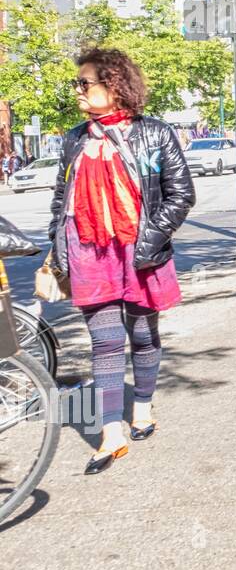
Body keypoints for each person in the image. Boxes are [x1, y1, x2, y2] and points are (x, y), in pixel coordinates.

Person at [47, 48, 196, 474]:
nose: (78, 90)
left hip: (141, 250)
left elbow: (180, 195)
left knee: (144, 335)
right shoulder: (75, 138)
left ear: (114, 86)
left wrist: (149, 238)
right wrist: (56, 245)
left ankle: (143, 408)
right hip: (89, 251)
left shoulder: (155, 133)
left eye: (85, 83)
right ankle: (111, 432)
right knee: (105, 341)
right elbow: (62, 198)